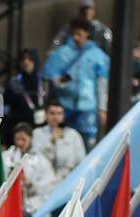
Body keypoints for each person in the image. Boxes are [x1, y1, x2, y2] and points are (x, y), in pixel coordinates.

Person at [43, 18, 110, 148]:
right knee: (62, 141)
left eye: (79, 33)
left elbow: (103, 83)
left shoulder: (98, 55)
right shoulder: (61, 54)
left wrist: (102, 109)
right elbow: (50, 77)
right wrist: (62, 81)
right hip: (64, 105)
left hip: (88, 106)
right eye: (73, 33)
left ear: (87, 34)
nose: (76, 37)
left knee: (87, 142)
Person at [2, 124, 55, 217]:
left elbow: (49, 185)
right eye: (17, 139)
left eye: (23, 139)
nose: (20, 143)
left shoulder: (41, 160)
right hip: (10, 205)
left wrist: (30, 184)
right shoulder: (6, 157)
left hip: (33, 207)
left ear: (30, 138)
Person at [30, 101, 86, 183]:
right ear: (46, 115)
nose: (56, 117)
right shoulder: (37, 133)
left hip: (69, 180)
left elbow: (82, 161)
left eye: (59, 114)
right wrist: (51, 142)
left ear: (63, 116)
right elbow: (36, 158)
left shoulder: (73, 135)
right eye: (52, 113)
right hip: (44, 181)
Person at [3, 49, 48, 135]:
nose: (26, 62)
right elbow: (4, 110)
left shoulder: (46, 83)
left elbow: (54, 105)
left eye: (30, 59)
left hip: (43, 128)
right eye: (23, 59)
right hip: (19, 128)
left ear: (35, 61)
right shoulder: (13, 83)